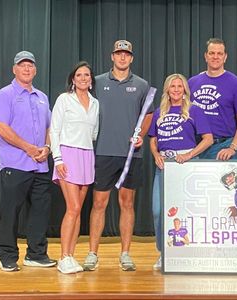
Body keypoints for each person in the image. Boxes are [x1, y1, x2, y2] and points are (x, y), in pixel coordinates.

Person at [84, 40, 152, 272]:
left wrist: (141, 135)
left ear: (131, 58)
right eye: (118, 54)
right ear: (112, 56)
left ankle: (125, 254)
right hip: (103, 152)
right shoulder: (98, 82)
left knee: (127, 203)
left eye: (126, 54)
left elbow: (149, 115)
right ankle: (92, 253)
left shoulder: (142, 85)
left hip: (131, 155)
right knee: (99, 203)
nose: (122, 58)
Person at [0, 51, 56, 272]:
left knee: (40, 211)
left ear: (35, 70)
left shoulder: (42, 96)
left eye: (30, 65)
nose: (26, 69)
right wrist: (28, 147)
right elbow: (1, 128)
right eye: (22, 65)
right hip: (15, 164)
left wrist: (46, 148)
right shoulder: (5, 94)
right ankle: (7, 256)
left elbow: (50, 126)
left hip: (40, 165)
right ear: (14, 69)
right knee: (10, 212)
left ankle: (36, 254)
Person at [148, 73, 213, 270]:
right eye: (172, 86)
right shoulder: (160, 112)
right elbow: (153, 139)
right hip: (165, 166)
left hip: (186, 165)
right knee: (159, 211)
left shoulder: (194, 110)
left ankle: (190, 253)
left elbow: (208, 139)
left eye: (179, 86)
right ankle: (163, 253)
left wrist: (190, 155)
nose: (176, 90)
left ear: (185, 89)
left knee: (186, 213)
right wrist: (156, 155)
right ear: (167, 89)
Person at [50, 61, 99, 274]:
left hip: (87, 156)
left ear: (91, 80)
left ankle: (71, 256)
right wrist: (58, 159)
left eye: (87, 75)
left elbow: (94, 133)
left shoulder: (95, 103)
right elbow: (54, 130)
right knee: (74, 208)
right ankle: (63, 257)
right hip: (67, 155)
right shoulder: (64, 99)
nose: (83, 78)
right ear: (73, 79)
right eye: (79, 75)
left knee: (78, 210)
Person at [188, 38, 237, 160]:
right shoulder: (192, 83)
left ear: (225, 57)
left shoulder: (236, 84)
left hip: (222, 147)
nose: (215, 57)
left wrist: (232, 147)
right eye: (212, 53)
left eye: (219, 53)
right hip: (195, 146)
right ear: (206, 56)